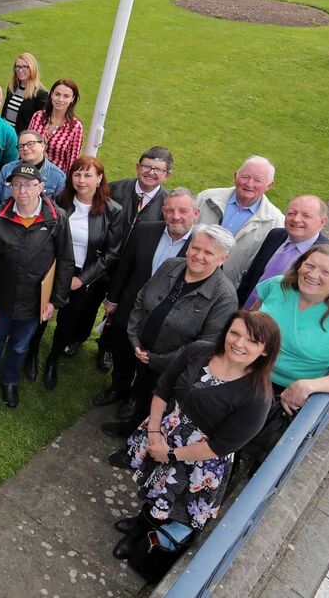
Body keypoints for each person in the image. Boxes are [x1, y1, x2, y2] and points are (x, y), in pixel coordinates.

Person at [112, 311, 280, 562]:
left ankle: (138, 535)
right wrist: (155, 432)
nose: (238, 343)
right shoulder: (199, 350)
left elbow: (221, 446)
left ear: (265, 351)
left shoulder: (257, 396)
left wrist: (170, 454)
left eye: (252, 341)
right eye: (235, 333)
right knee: (152, 486)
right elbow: (163, 388)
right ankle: (140, 521)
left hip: (196, 457)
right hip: (165, 432)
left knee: (165, 498)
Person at [101, 224, 240, 439]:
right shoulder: (170, 266)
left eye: (209, 253)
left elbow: (205, 345)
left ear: (223, 259)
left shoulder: (224, 298)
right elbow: (141, 298)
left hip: (173, 369)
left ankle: (139, 446)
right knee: (140, 391)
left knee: (157, 406)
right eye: (195, 248)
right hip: (143, 351)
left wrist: (156, 360)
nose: (198, 256)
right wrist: (135, 339)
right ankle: (131, 426)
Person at [244, 245, 329, 460]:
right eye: (310, 265)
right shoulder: (277, 286)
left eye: (326, 272)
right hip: (245, 376)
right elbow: (245, 327)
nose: (312, 274)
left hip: (284, 398)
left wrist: (309, 385)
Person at [0, 162, 74, 408]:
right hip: (1, 298)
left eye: (28, 185)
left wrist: (55, 301)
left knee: (19, 345)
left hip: (33, 302)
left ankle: (10, 380)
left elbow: (66, 261)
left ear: (41, 187)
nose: (22, 191)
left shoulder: (57, 219)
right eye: (16, 185)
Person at [93, 189, 200, 410]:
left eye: (183, 211)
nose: (175, 216)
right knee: (121, 350)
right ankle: (118, 387)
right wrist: (113, 299)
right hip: (130, 307)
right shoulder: (145, 230)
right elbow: (125, 266)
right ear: (163, 211)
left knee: (148, 362)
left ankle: (136, 398)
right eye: (170, 210)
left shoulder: (200, 246)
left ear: (196, 213)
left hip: (165, 320)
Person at [39, 155, 122, 388]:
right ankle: (31, 354)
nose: (82, 180)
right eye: (77, 174)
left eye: (88, 175)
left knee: (67, 321)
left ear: (99, 179)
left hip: (83, 275)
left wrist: (82, 279)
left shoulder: (112, 211)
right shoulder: (60, 200)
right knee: (42, 314)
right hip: (53, 268)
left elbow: (112, 253)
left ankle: (53, 359)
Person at [95, 145, 173, 371]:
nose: (151, 172)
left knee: (118, 312)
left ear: (167, 175)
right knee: (91, 303)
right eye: (147, 166)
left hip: (134, 271)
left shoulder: (167, 205)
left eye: (158, 169)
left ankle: (105, 348)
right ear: (138, 167)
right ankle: (75, 337)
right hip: (104, 262)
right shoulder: (115, 188)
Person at [195, 156, 285, 284]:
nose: (249, 184)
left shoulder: (276, 223)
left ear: (269, 185)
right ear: (235, 176)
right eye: (245, 177)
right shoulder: (206, 198)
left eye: (257, 180)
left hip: (227, 292)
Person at [238, 195, 329, 308]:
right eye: (291, 213)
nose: (296, 219)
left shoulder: (327, 255)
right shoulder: (275, 235)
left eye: (306, 215)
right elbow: (252, 276)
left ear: (322, 222)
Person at [0, 130, 66, 212]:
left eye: (30, 144)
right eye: (21, 146)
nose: (25, 148)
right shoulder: (7, 169)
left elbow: (61, 211)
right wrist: (3, 219)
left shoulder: (58, 177)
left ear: (42, 145)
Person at [28, 78, 84, 174]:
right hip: (30, 173)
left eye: (66, 96)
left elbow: (72, 162)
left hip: (54, 180)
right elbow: (26, 144)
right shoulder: (38, 116)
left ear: (72, 99)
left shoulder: (75, 127)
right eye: (57, 94)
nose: (60, 99)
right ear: (52, 95)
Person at [1, 53, 47, 135]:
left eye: (25, 67)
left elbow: (42, 124)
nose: (20, 70)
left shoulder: (40, 94)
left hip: (22, 140)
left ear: (32, 68)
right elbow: (5, 113)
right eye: (18, 66)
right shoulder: (12, 87)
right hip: (5, 135)